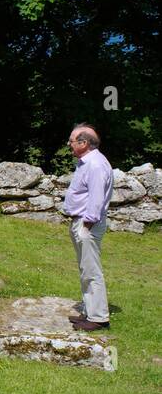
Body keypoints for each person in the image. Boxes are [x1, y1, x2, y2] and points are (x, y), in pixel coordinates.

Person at [62, 125, 113, 330]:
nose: (69, 144)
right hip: (83, 221)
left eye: (72, 140)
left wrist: (87, 224)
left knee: (91, 270)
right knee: (86, 269)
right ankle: (90, 312)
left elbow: (96, 197)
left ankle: (99, 317)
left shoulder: (95, 165)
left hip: (87, 223)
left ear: (83, 143)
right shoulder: (87, 163)